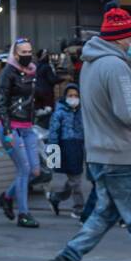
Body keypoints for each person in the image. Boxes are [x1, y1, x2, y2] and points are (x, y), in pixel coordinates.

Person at [46, 6, 131, 261]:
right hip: (124, 154)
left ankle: (67, 258)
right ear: (121, 39)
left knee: (106, 213)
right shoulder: (115, 67)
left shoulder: (90, 64)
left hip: (100, 152)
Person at [0, 37, 41, 228]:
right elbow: (2, 102)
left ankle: (7, 197)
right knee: (24, 169)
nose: (27, 55)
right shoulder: (8, 73)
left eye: (29, 51)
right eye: (23, 52)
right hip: (11, 127)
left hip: (28, 127)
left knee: (35, 171)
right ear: (15, 54)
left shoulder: (31, 71)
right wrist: (6, 129)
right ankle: (23, 213)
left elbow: (30, 100)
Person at [45, 82, 87, 219]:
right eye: (70, 95)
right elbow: (53, 133)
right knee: (76, 181)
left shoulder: (83, 112)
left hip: (78, 147)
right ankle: (79, 208)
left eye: (76, 95)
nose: (73, 98)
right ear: (65, 97)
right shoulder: (59, 113)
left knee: (74, 181)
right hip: (65, 147)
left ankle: (56, 197)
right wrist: (52, 155)